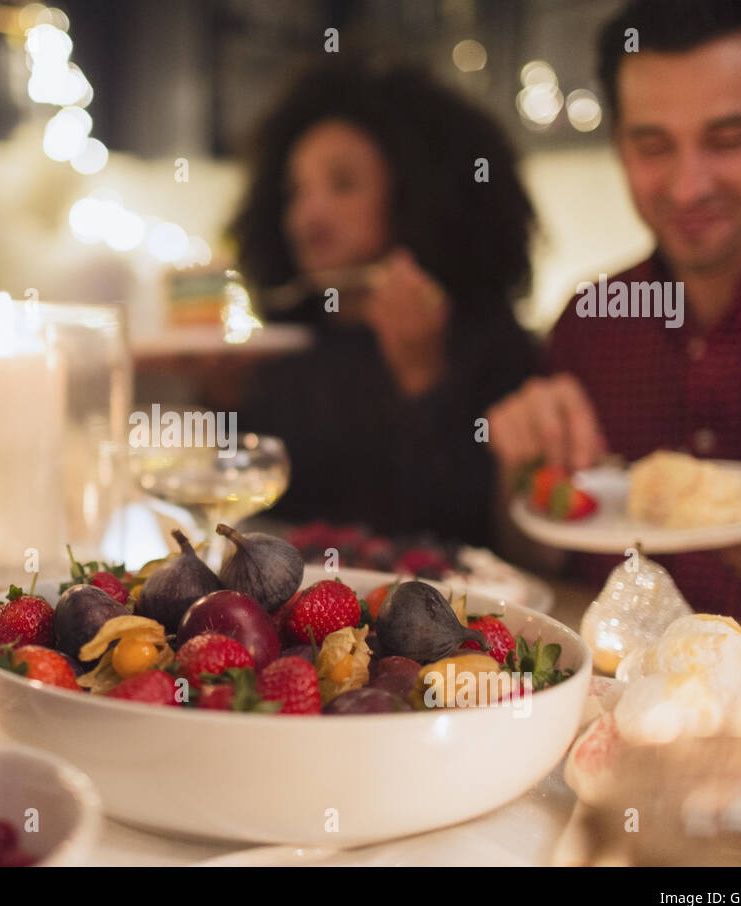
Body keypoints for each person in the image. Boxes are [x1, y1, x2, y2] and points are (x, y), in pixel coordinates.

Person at [486, 0, 741, 631]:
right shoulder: (592, 321)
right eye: (652, 146)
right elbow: (537, 558)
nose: (686, 187)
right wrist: (524, 479)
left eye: (727, 140)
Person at [227, 62, 539, 545]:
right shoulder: (286, 347)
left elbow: (468, 533)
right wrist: (215, 396)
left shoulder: (490, 344)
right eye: (296, 191)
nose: (308, 215)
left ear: (415, 195)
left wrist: (423, 378)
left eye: (343, 184)